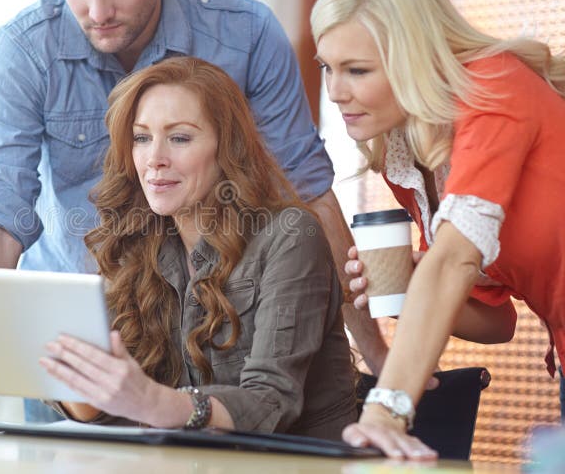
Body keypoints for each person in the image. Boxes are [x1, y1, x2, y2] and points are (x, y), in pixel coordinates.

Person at [0, 0, 384, 420]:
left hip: (223, 352)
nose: (97, 12)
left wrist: (383, 365)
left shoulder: (244, 33)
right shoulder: (26, 50)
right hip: (115, 323)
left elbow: (308, 189)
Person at [310, 0, 565, 458]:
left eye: (356, 70)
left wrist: (386, 409)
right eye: (327, 67)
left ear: (415, 59)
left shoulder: (494, 87)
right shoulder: (411, 159)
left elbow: (452, 262)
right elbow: (497, 322)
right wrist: (404, 278)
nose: (335, 92)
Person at [39, 56, 358, 436]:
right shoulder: (139, 244)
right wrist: (84, 384)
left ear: (227, 149)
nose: (154, 159)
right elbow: (118, 409)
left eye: (179, 138)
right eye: (141, 138)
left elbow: (272, 403)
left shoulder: (290, 236)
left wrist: (152, 401)